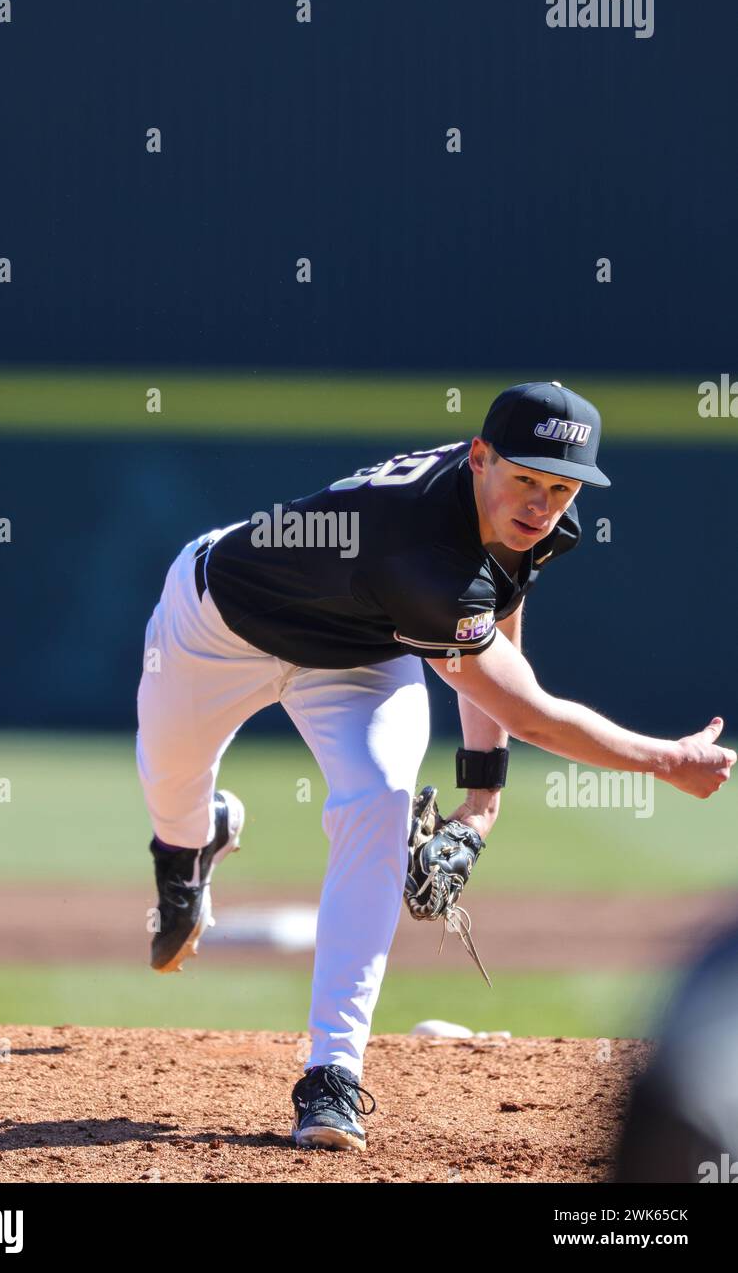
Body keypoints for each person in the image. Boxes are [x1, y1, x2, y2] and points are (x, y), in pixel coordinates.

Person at [135, 381, 735, 1152]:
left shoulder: (532, 518)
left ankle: (332, 1073)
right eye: (525, 478)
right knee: (170, 792)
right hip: (215, 627)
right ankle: (194, 841)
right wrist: (666, 760)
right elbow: (528, 710)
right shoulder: (422, 555)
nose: (542, 503)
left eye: (562, 485)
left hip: (360, 657)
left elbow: (502, 597)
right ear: (479, 458)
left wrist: (480, 805)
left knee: (380, 803)